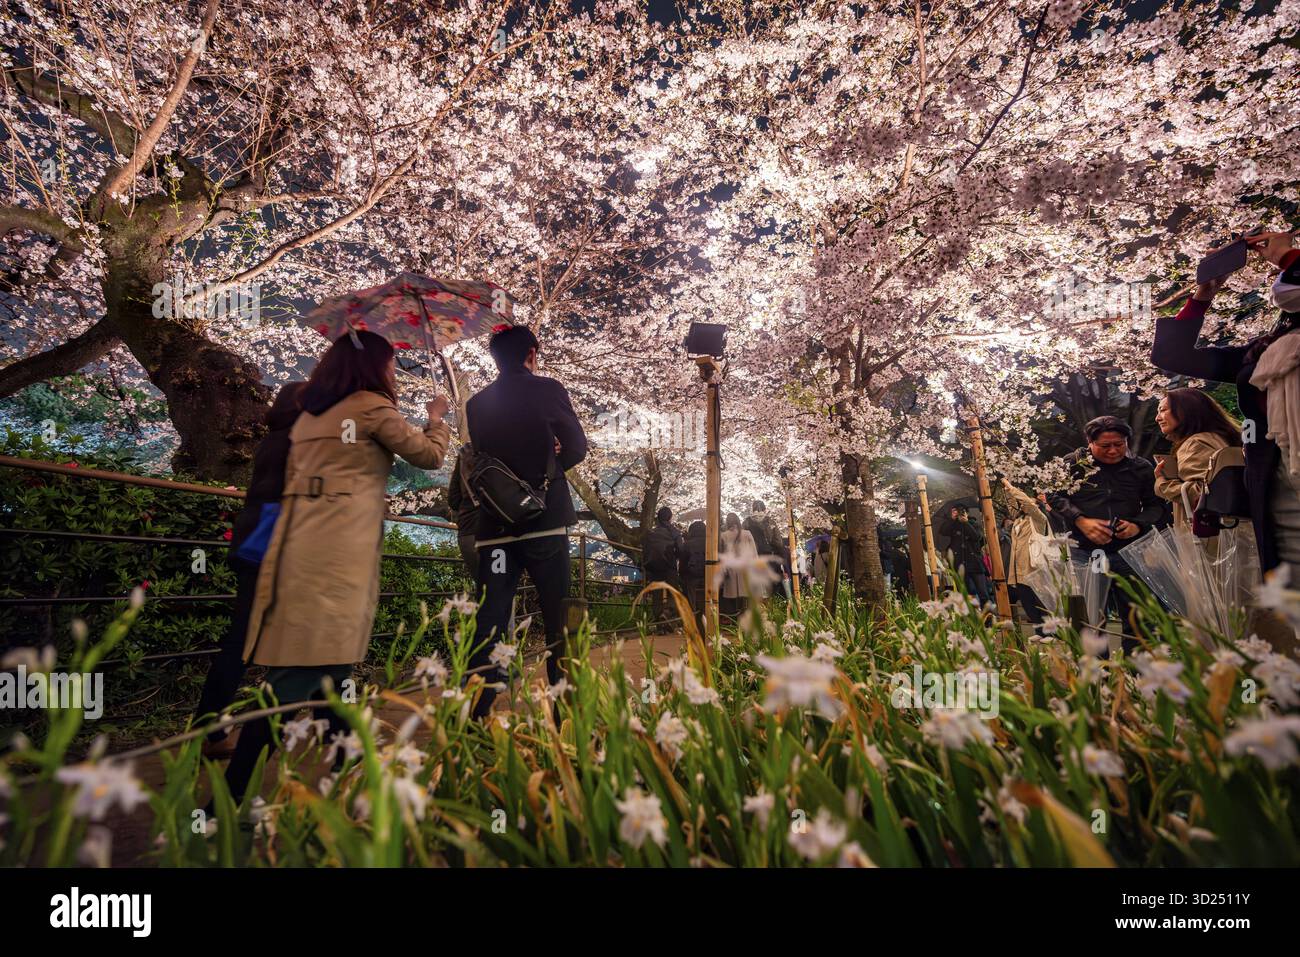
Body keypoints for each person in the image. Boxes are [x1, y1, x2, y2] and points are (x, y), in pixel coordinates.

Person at [220, 330, 450, 806]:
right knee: (294, 678)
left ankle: (352, 772)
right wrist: (436, 418)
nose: (393, 374)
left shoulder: (309, 409)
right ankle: (229, 797)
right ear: (373, 369)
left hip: (298, 543)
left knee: (322, 663)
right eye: (390, 365)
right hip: (338, 552)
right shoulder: (368, 405)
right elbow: (428, 456)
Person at [465, 325, 587, 717]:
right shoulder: (547, 389)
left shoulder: (476, 403)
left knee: (491, 619)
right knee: (558, 614)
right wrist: (551, 469)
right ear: (531, 353)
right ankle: (564, 713)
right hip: (543, 521)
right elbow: (577, 447)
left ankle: (476, 711)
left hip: (496, 528)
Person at [195, 380, 305, 759]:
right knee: (247, 640)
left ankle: (212, 727)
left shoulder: (274, 439)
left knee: (243, 638)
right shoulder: (298, 440)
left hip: (253, 540)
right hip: (271, 545)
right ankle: (213, 732)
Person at [1048, 415, 1164, 652]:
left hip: (1129, 552)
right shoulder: (1071, 465)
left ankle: (1141, 678)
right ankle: (1097, 681)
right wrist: (1080, 520)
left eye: (1119, 444)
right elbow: (1053, 496)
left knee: (1140, 618)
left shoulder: (1140, 467)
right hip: (1085, 552)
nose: (1113, 451)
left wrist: (1138, 525)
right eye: (1105, 446)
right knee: (1089, 621)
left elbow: (1157, 506)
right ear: (1089, 443)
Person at [1153, 388, 1243, 529]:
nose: (1157, 418)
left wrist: (1162, 484)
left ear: (1185, 411)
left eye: (1163, 410)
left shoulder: (1196, 443)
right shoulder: (1220, 437)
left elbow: (1203, 492)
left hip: (1210, 536)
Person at [1001, 477, 1050, 626]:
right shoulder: (1019, 520)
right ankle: (1039, 630)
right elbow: (1012, 506)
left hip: (1033, 566)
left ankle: (1051, 632)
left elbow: (1028, 504)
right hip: (1018, 567)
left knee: (1039, 599)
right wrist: (1007, 491)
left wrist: (1010, 486)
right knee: (1027, 600)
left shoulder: (1039, 519)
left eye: (1031, 501)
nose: (1025, 504)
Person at [446, 444, 480, 594]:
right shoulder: (507, 446)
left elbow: (453, 499)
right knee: (502, 591)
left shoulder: (466, 451)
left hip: (468, 533)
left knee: (483, 590)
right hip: (499, 532)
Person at [643, 506, 684, 631]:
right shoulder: (675, 532)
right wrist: (675, 556)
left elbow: (646, 550)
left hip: (655, 568)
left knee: (657, 597)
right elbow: (681, 550)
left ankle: (660, 627)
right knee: (673, 594)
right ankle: (667, 613)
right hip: (670, 567)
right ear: (670, 518)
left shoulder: (651, 533)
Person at [939, 505, 989, 604]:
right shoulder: (953, 525)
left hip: (975, 564)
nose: (958, 513)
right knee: (967, 594)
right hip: (960, 565)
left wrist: (966, 523)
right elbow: (943, 531)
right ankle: (973, 617)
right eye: (955, 511)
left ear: (967, 513)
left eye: (961, 511)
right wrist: (952, 519)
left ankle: (988, 618)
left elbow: (976, 537)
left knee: (983, 593)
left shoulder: (973, 524)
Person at [720, 512, 759, 616]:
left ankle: (734, 619)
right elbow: (754, 553)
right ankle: (745, 616)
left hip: (731, 568)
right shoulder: (747, 533)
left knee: (732, 597)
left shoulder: (723, 535)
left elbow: (722, 555)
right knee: (745, 595)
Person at [681, 520, 707, 624]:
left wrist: (682, 576)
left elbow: (683, 563)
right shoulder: (710, 542)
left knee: (691, 597)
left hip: (692, 577)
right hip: (707, 575)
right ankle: (708, 618)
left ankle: (693, 620)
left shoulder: (687, 544)